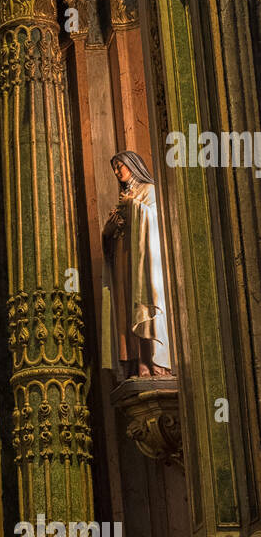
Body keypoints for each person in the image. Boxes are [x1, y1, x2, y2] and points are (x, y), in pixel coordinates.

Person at [101, 149, 172, 379]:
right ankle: (137, 363)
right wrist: (110, 228)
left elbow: (154, 219)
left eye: (120, 166)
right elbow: (109, 236)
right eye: (114, 168)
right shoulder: (125, 196)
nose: (116, 171)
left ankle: (153, 362)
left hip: (143, 260)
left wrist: (133, 206)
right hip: (124, 258)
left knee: (143, 306)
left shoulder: (149, 191)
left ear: (133, 165)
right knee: (126, 310)